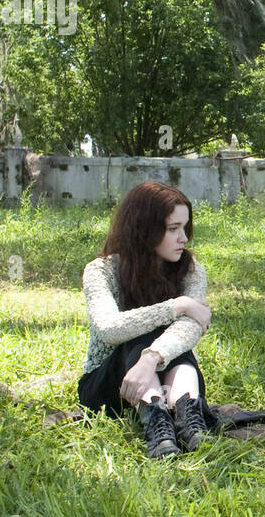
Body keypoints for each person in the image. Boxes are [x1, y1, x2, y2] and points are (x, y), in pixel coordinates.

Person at [77, 181, 213, 458]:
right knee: (145, 329)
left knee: (172, 340)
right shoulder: (100, 271)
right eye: (173, 229)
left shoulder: (191, 270)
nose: (184, 238)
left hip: (169, 377)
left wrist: (151, 359)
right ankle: (157, 420)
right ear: (144, 229)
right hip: (109, 385)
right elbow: (110, 329)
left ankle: (188, 417)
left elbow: (191, 328)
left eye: (185, 228)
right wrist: (177, 306)